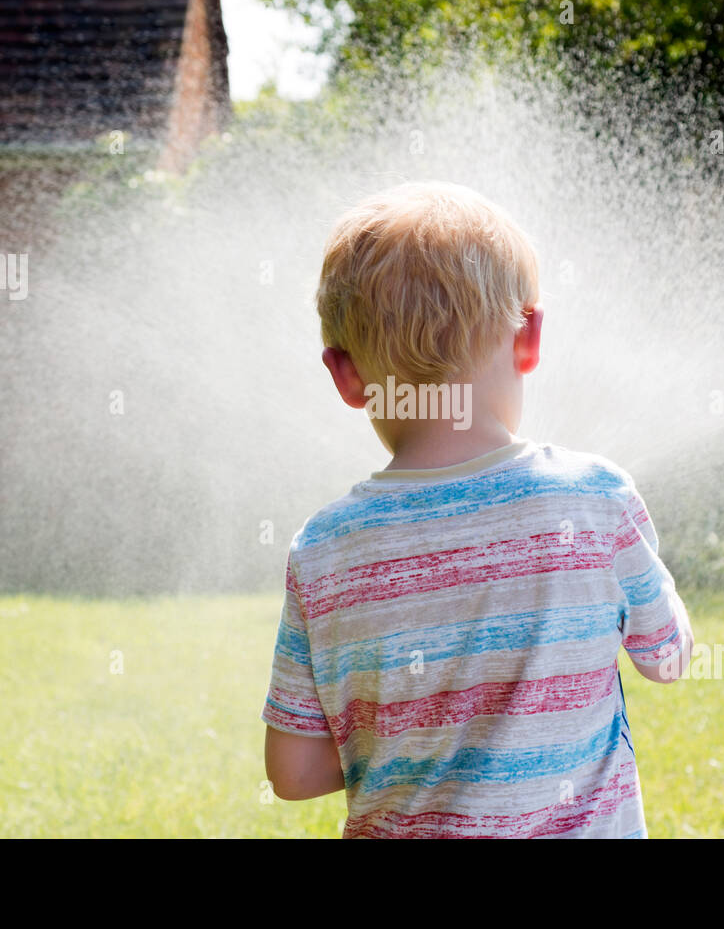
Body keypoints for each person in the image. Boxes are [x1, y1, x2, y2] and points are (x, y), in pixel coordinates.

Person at [261, 181, 693, 837]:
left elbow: (291, 774)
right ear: (530, 338)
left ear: (345, 375)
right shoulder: (595, 501)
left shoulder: (324, 548)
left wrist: (410, 742)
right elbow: (665, 659)